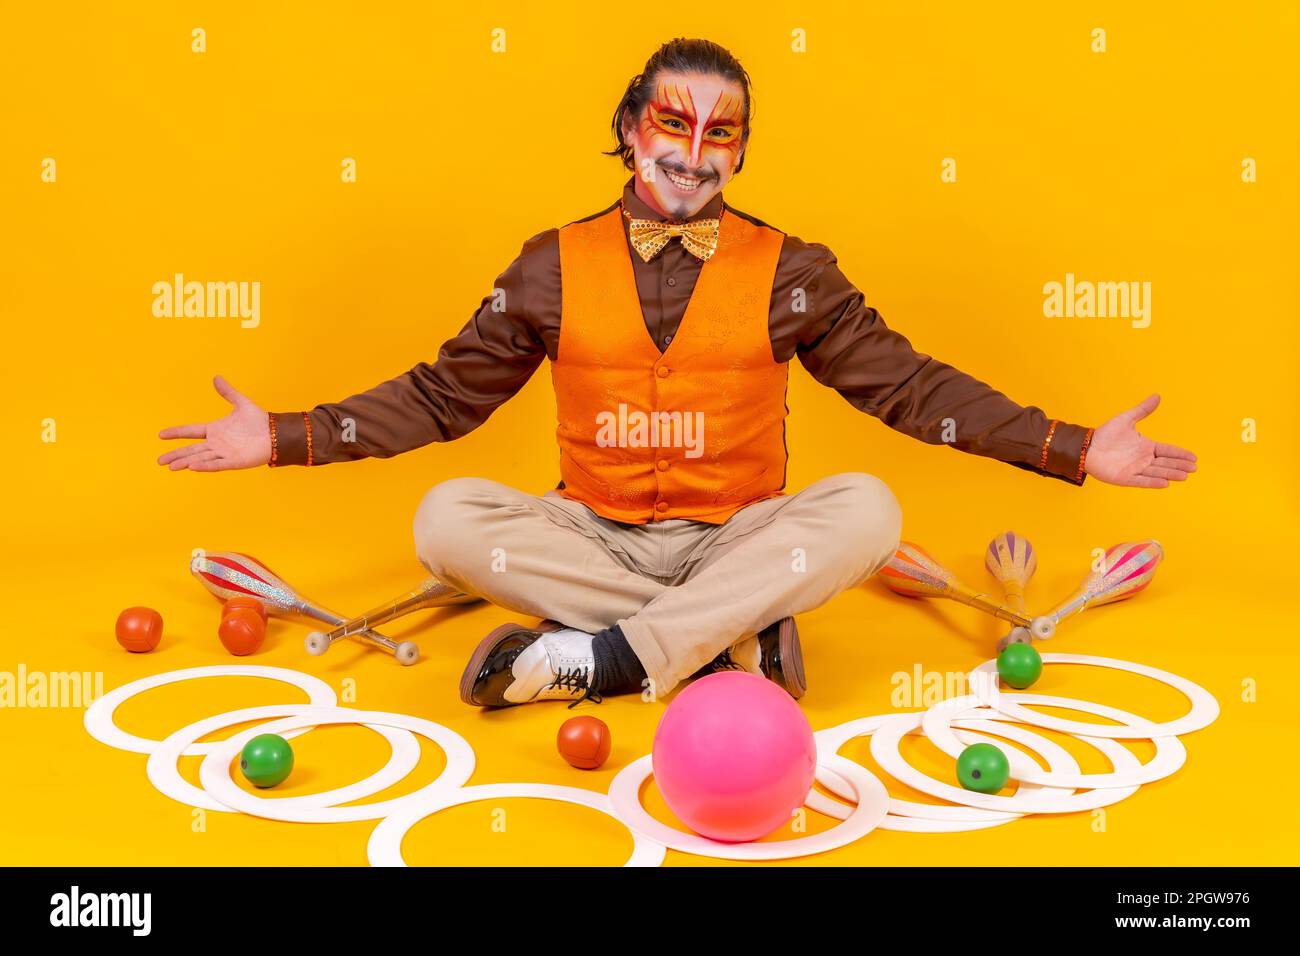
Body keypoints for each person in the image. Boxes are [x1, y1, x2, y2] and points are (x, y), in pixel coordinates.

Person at [158, 38, 1196, 709]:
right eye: (672, 124)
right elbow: (441, 396)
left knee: (867, 509)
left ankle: (601, 657)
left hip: (742, 532)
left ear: (739, 152)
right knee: (446, 519)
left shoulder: (794, 269)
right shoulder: (546, 265)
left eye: (721, 135)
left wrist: (1073, 445)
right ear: (628, 129)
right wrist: (285, 434)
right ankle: (727, 642)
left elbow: (910, 386)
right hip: (592, 531)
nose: (694, 154)